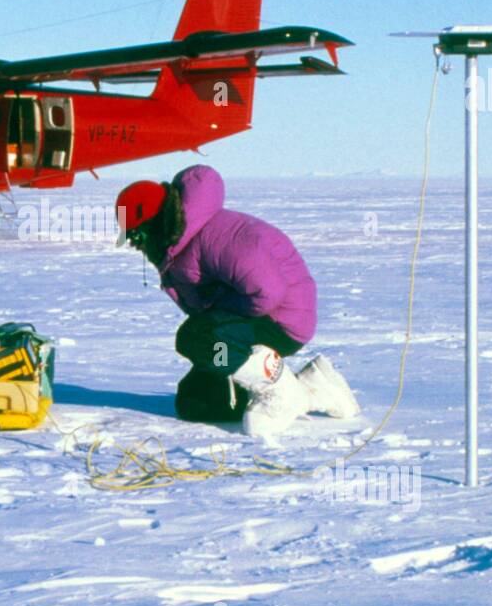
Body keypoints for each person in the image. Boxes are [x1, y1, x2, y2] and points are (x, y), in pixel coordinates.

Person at [116, 164, 360, 440]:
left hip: (281, 322)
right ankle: (311, 389)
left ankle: (279, 392)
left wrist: (219, 318)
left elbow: (267, 292)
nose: (137, 246)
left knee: (197, 338)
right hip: (234, 333)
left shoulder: (216, 237)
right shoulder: (180, 246)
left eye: (137, 236)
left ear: (155, 224)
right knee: (197, 405)